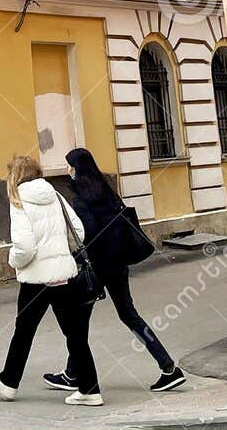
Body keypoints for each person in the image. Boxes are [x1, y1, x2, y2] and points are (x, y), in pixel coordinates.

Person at [46, 148, 186, 394]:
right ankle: (168, 367)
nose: (67, 169)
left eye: (69, 165)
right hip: (118, 263)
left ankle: (72, 375)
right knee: (129, 315)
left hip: (98, 267)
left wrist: (77, 253)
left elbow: (88, 231)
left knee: (79, 320)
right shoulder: (106, 189)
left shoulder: (80, 196)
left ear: (76, 168)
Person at [0, 153, 103, 407]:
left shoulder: (18, 200)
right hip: (63, 274)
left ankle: (9, 382)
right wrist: (61, 253)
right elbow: (78, 231)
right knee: (75, 335)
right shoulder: (55, 195)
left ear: (14, 176)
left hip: (36, 280)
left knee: (24, 332)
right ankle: (90, 390)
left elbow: (24, 247)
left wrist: (13, 260)